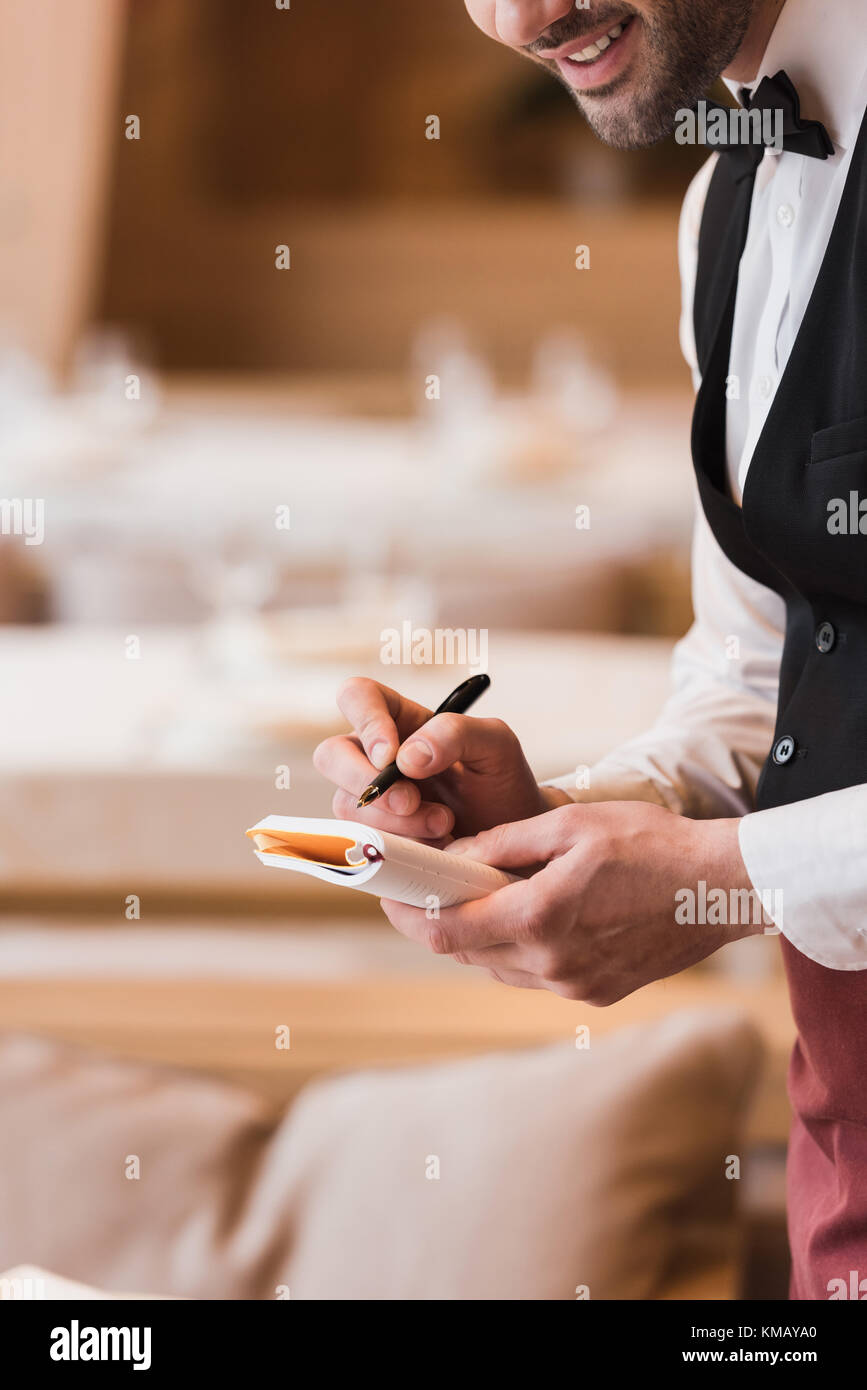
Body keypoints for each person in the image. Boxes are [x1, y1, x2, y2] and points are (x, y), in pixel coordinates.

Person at [314, 0, 867, 1299]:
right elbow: (760, 674)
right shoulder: (725, 206)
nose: (520, 16)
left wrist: (717, 877)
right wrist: (582, 817)